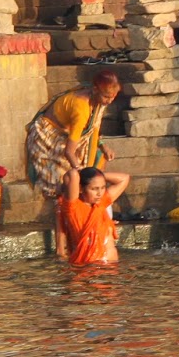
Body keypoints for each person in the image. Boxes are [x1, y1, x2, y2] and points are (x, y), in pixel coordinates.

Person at [26, 71, 127, 257]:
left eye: (113, 97)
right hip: (50, 138)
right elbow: (69, 151)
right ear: (95, 90)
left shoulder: (99, 102)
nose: (109, 101)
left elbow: (94, 129)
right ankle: (59, 248)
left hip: (73, 138)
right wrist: (81, 173)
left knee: (97, 161)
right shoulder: (81, 108)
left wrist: (102, 147)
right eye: (106, 96)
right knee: (62, 190)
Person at [60, 167, 129, 266]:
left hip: (111, 267)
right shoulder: (73, 208)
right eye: (94, 189)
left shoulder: (101, 203)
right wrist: (82, 172)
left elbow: (124, 178)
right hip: (89, 268)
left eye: (103, 187)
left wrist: (98, 176)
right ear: (80, 189)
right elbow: (73, 174)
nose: (99, 193)